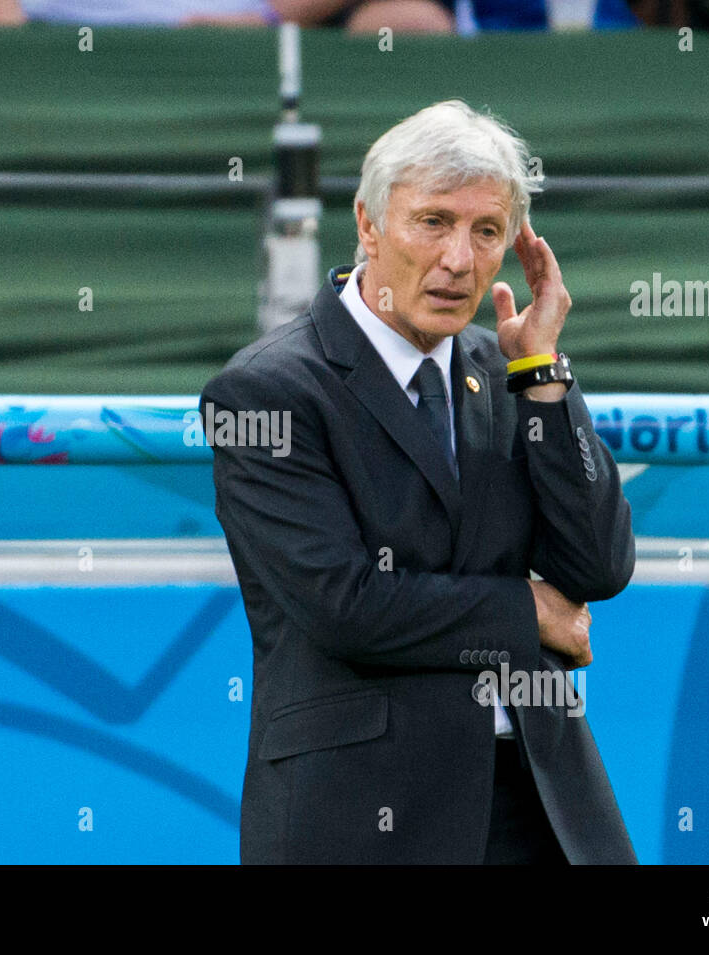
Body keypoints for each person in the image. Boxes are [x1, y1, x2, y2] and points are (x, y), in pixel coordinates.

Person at [201, 99, 638, 864]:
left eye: (487, 231)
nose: (460, 259)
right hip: (363, 809)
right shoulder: (266, 391)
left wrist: (544, 377)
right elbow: (346, 606)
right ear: (369, 225)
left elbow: (597, 566)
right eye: (433, 222)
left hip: (545, 804)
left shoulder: (511, 369)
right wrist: (524, 608)